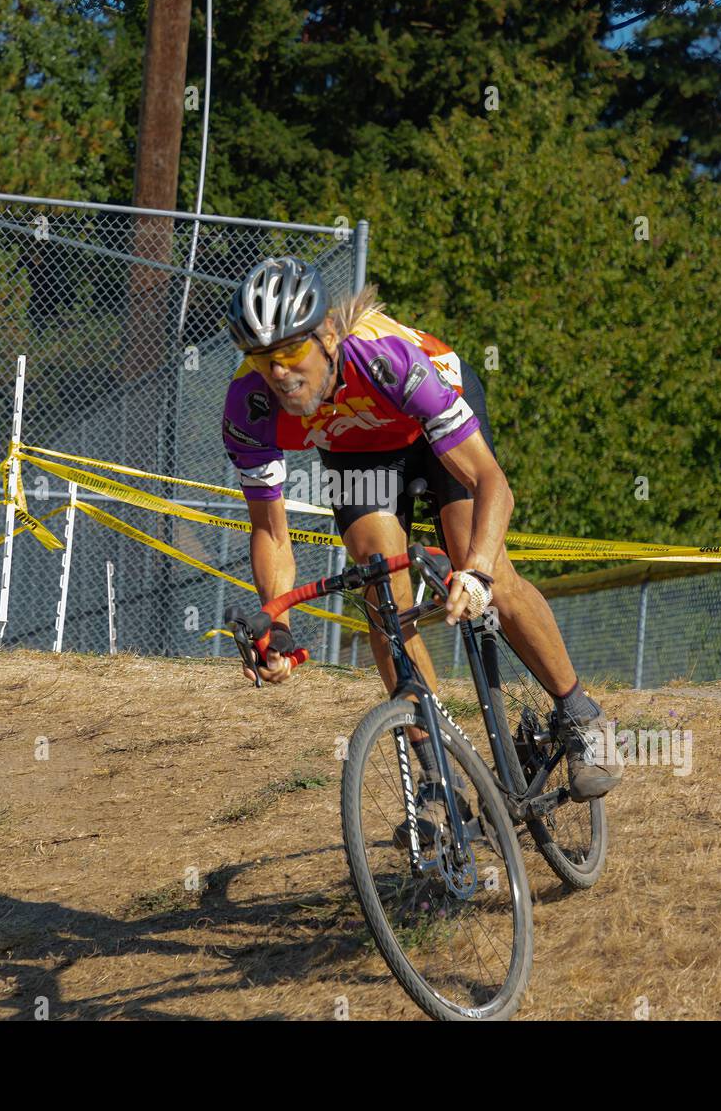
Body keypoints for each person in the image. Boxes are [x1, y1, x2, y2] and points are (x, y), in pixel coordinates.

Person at [221, 255, 622, 804]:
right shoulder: (250, 404)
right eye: (263, 360)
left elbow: (490, 481)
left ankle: (581, 715)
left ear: (328, 336)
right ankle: (438, 774)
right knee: (382, 601)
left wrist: (477, 571)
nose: (282, 373)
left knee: (486, 573)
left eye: (291, 352)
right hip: (359, 452)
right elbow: (270, 531)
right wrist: (280, 626)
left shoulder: (386, 358)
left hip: (432, 425)